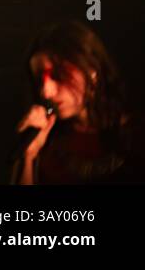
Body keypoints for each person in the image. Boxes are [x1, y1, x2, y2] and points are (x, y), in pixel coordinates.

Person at [12, 19, 138, 184]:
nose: (46, 91)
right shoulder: (43, 136)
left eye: (58, 74)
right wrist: (28, 157)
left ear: (92, 69)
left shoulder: (136, 133)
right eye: (38, 80)